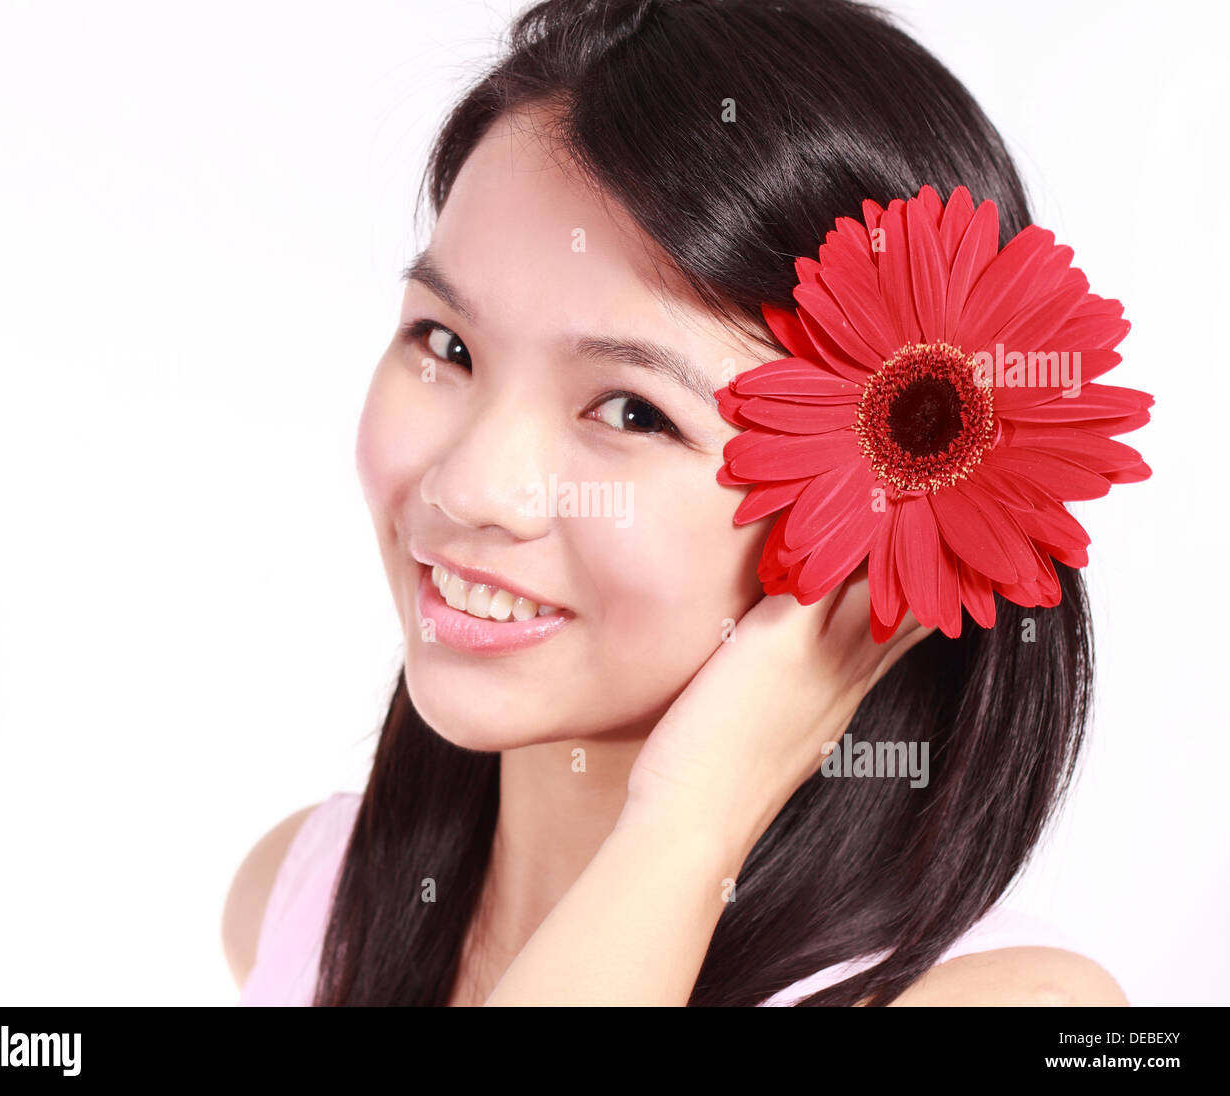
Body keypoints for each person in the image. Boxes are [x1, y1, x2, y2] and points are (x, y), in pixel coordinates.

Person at [223, 0, 1130, 1006]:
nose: (471, 486)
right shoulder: (297, 900)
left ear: (882, 504)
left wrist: (689, 826)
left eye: (631, 410)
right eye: (447, 346)